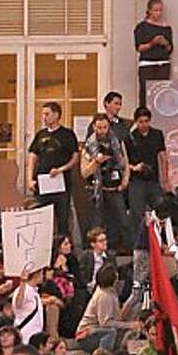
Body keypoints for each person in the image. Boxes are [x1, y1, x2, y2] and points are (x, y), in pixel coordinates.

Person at [26, 101, 80, 241]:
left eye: (47, 114)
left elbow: (75, 157)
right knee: (41, 218)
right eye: (43, 114)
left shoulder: (67, 134)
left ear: (56, 115)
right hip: (42, 183)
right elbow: (32, 156)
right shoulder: (41, 134)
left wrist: (61, 169)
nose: (44, 117)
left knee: (62, 219)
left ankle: (65, 249)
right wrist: (29, 178)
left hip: (60, 183)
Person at [80, 113, 130, 252]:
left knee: (123, 220)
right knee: (96, 223)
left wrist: (125, 179)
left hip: (115, 188)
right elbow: (84, 173)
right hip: (96, 189)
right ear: (94, 127)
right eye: (99, 128)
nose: (102, 131)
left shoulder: (117, 142)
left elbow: (125, 162)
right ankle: (94, 251)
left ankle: (127, 249)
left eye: (105, 127)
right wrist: (96, 162)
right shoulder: (89, 146)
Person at [125, 106, 169, 225]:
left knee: (161, 211)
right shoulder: (129, 138)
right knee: (137, 216)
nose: (144, 125)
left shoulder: (157, 134)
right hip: (136, 181)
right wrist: (134, 167)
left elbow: (163, 157)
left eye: (146, 121)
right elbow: (123, 162)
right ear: (136, 122)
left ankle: (159, 241)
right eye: (140, 122)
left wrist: (165, 179)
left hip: (154, 180)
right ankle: (140, 242)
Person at [133, 0, 174, 107]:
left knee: (162, 91)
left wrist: (165, 43)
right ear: (149, 11)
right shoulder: (141, 27)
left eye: (160, 10)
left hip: (163, 63)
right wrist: (152, 43)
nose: (158, 13)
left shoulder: (166, 27)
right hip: (147, 64)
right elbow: (139, 47)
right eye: (155, 10)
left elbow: (170, 49)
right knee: (146, 92)